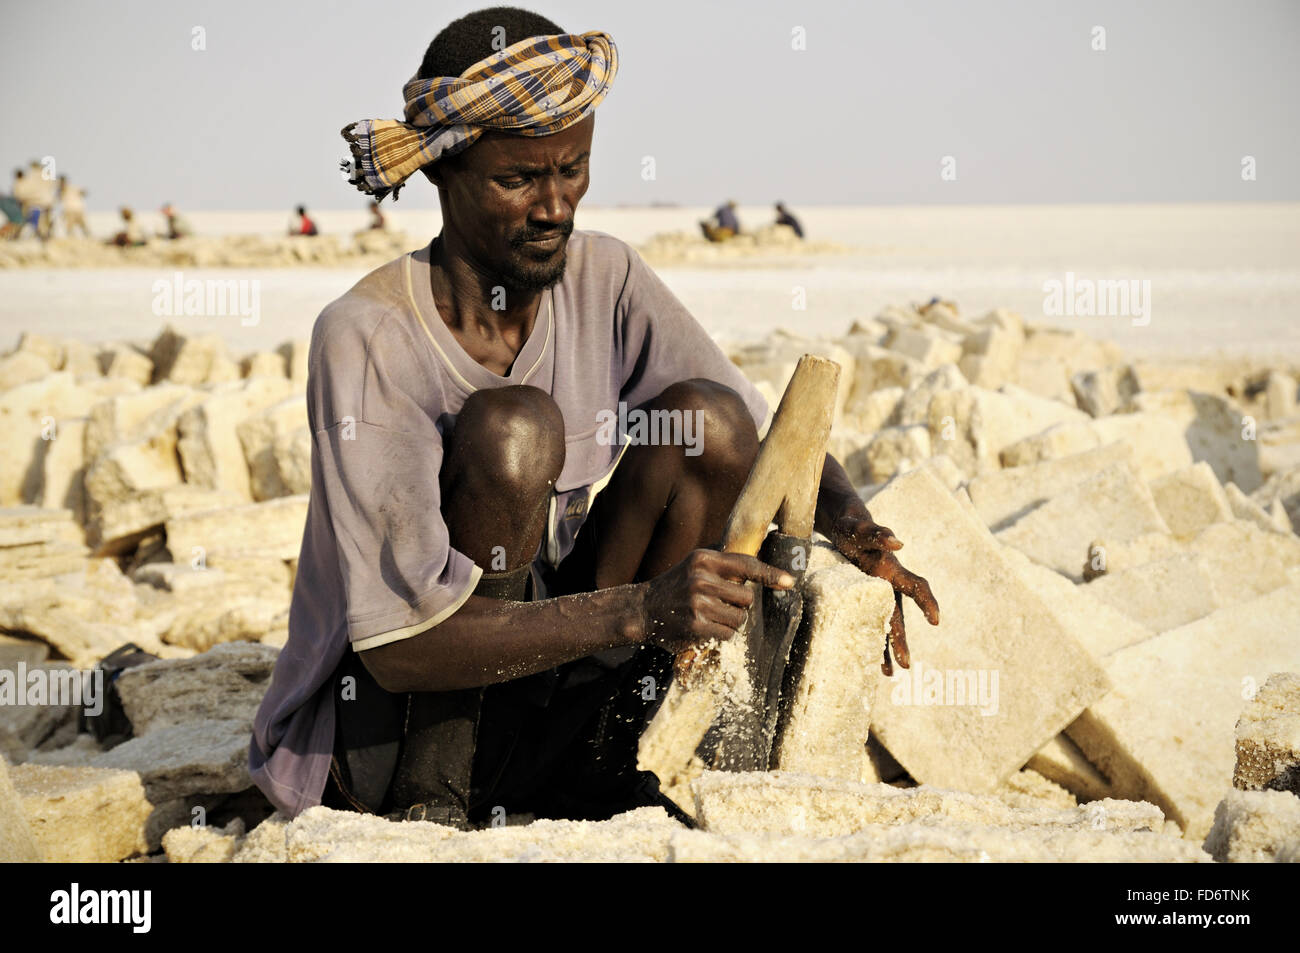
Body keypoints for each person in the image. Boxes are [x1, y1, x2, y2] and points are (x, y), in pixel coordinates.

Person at [250, 6, 938, 828]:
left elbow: (755, 438)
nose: (555, 206)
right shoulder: (367, 336)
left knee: (708, 424)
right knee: (515, 431)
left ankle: (608, 758)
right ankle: (438, 808)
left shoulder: (604, 275)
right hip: (392, 737)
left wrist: (858, 531)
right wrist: (644, 609)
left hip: (537, 697)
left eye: (572, 169)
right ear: (443, 174)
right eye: (518, 180)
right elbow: (400, 648)